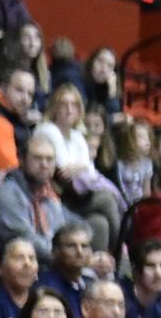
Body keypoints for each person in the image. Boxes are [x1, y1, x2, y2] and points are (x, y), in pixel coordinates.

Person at [32, 85, 122, 253]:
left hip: (78, 196)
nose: (69, 110)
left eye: (74, 105)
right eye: (63, 104)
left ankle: (100, 271)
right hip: (56, 197)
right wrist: (82, 165)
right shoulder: (47, 130)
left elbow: (90, 172)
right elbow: (64, 170)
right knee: (108, 199)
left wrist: (80, 166)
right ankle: (124, 257)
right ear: (54, 107)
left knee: (99, 223)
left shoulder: (77, 135)